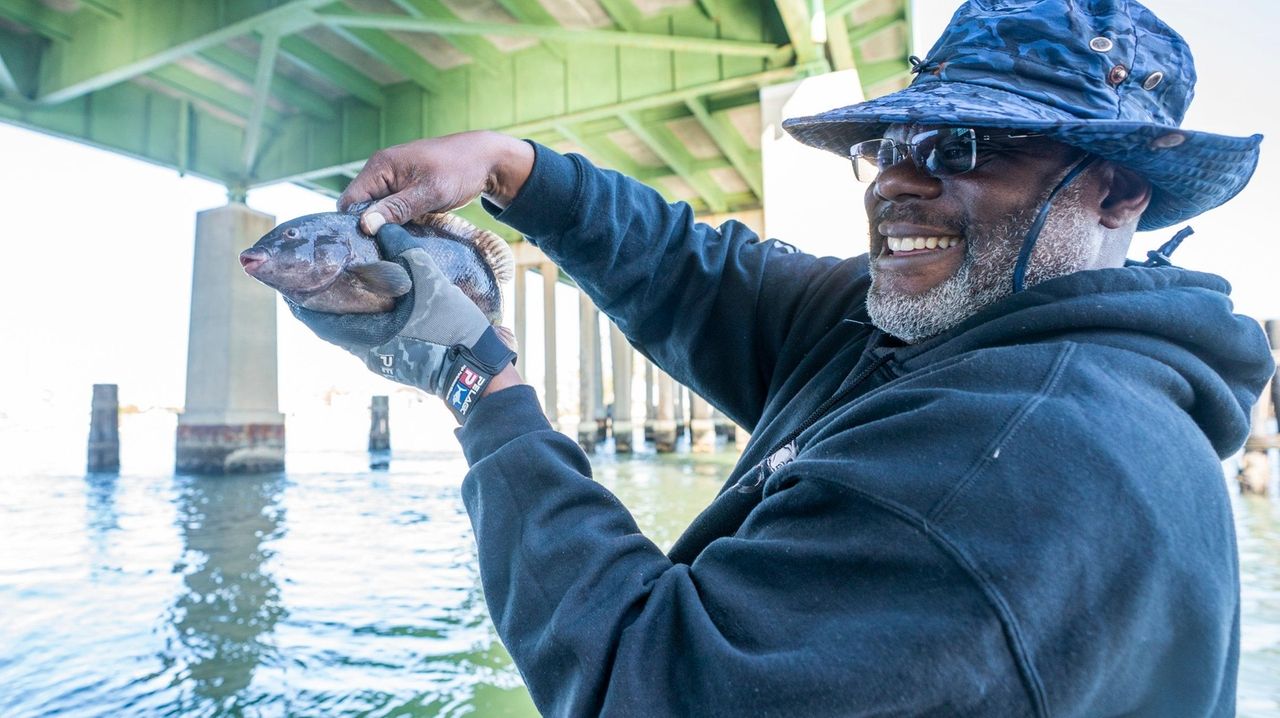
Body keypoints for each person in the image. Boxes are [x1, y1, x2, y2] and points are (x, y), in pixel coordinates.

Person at [291, 0, 1274, 714]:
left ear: (1116, 195)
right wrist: (515, 169)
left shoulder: (1024, 466)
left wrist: (479, 384)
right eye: (890, 141)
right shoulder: (927, 323)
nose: (898, 180)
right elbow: (699, 275)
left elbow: (648, 680)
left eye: (966, 146)